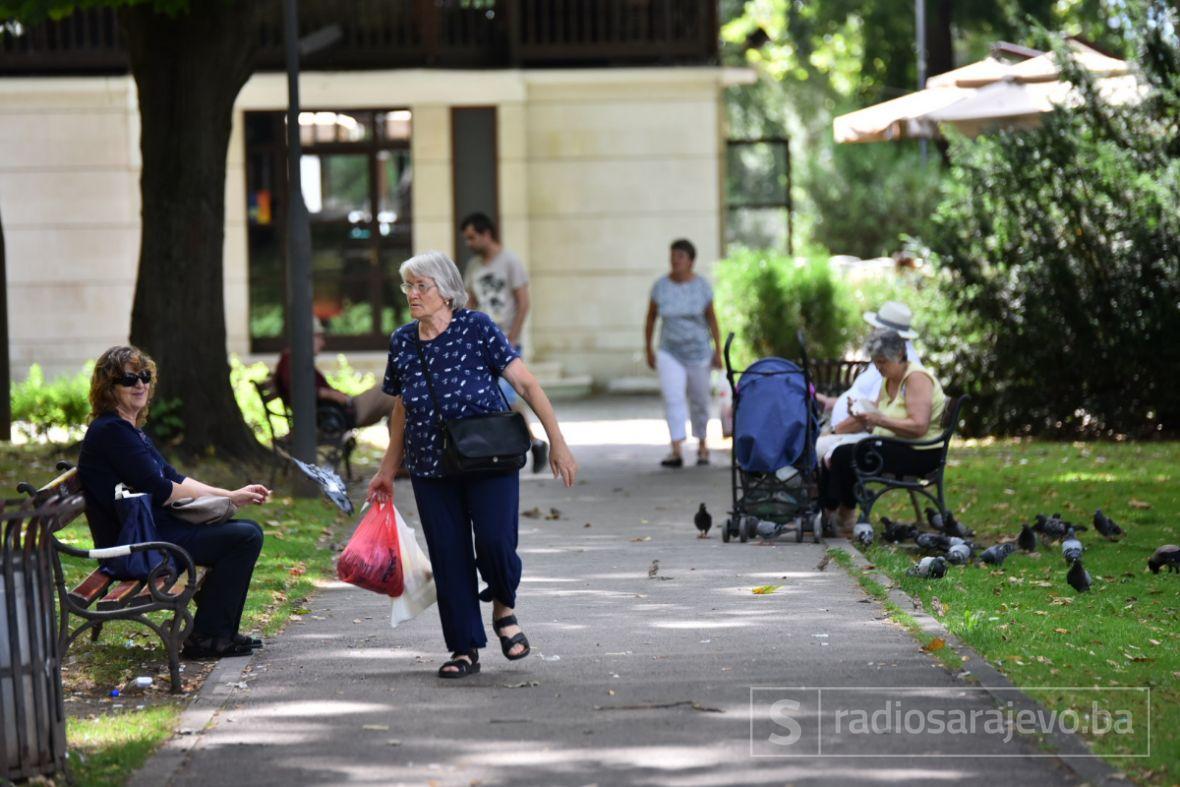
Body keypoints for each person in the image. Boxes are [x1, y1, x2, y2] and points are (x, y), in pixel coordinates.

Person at [367, 251, 578, 680]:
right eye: (408, 286)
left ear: (446, 291)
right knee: (449, 557)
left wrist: (557, 442)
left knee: (498, 544)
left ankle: (503, 606)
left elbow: (525, 383)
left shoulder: (477, 327)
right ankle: (463, 647)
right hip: (430, 466)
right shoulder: (403, 341)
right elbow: (402, 408)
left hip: (489, 458)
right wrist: (388, 468)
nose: (412, 294)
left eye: (421, 286)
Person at [77, 346, 270, 659]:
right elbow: (164, 490)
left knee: (244, 531)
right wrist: (227, 496)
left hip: (153, 531)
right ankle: (208, 637)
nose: (140, 384)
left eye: (145, 377)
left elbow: (174, 477)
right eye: (128, 379)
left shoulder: (128, 430)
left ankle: (218, 633)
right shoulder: (112, 432)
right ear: (108, 388)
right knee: (244, 536)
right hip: (135, 543)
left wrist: (231, 495)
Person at [819, 329, 946, 534]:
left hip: (920, 452)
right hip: (895, 445)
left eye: (882, 362)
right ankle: (830, 512)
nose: (878, 367)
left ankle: (835, 512)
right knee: (836, 451)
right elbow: (877, 420)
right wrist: (863, 416)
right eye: (876, 362)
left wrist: (879, 419)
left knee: (846, 454)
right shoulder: (888, 380)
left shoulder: (916, 379)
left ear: (898, 355)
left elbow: (919, 426)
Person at [460, 211, 548, 469]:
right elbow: (471, 300)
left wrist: (512, 338)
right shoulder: (474, 266)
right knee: (492, 397)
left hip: (506, 339)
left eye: (472, 237)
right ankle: (530, 443)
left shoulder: (510, 261)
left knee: (508, 396)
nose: (469, 243)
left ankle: (527, 444)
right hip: (480, 340)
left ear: (487, 234)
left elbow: (523, 302)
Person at [644, 238, 722, 467]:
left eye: (680, 256)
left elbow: (712, 319)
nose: (675, 260)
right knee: (673, 397)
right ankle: (676, 449)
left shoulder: (702, 286)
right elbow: (650, 319)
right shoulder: (661, 286)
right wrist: (648, 348)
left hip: (699, 352)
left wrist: (717, 350)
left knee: (700, 399)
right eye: (673, 256)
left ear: (691, 261)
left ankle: (702, 445)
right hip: (670, 351)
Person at [815, 301, 922, 430]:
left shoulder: (897, 363)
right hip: (849, 433)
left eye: (875, 328)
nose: (871, 331)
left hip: (860, 439)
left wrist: (834, 432)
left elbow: (873, 412)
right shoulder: (889, 354)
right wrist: (830, 402)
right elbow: (865, 400)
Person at [274, 318, 395, 429]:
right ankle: (398, 450)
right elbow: (298, 390)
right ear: (307, 337)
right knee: (394, 394)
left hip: (339, 409)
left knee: (395, 392)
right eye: (319, 337)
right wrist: (328, 394)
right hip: (338, 413)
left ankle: (398, 449)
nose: (323, 343)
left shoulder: (296, 359)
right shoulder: (290, 360)